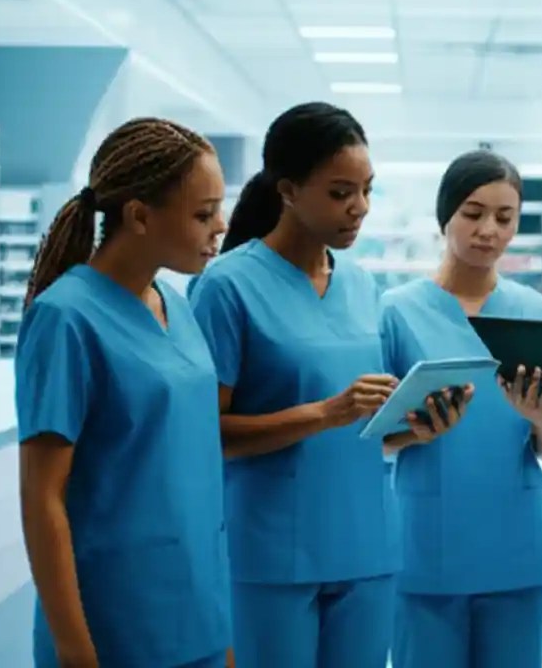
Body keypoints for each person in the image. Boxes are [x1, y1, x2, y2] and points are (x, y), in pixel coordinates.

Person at [187, 102, 466, 668]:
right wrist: (323, 413)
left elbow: (372, 433)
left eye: (367, 190)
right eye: (341, 192)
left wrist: (418, 428)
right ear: (288, 189)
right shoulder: (226, 288)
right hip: (270, 555)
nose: (359, 207)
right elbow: (201, 436)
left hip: (367, 546)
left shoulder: (365, 290)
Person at [15, 118, 233, 668]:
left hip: (198, 617)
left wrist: (221, 633)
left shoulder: (176, 305)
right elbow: (43, 500)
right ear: (139, 215)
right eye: (203, 214)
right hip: (116, 625)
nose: (220, 227)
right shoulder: (65, 318)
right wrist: (75, 649)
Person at [379, 150, 542, 668]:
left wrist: (540, 417)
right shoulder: (395, 312)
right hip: (426, 548)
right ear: (446, 215)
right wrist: (414, 433)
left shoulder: (536, 315)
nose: (489, 230)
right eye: (473, 213)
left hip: (518, 549)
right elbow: (373, 437)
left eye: (504, 218)